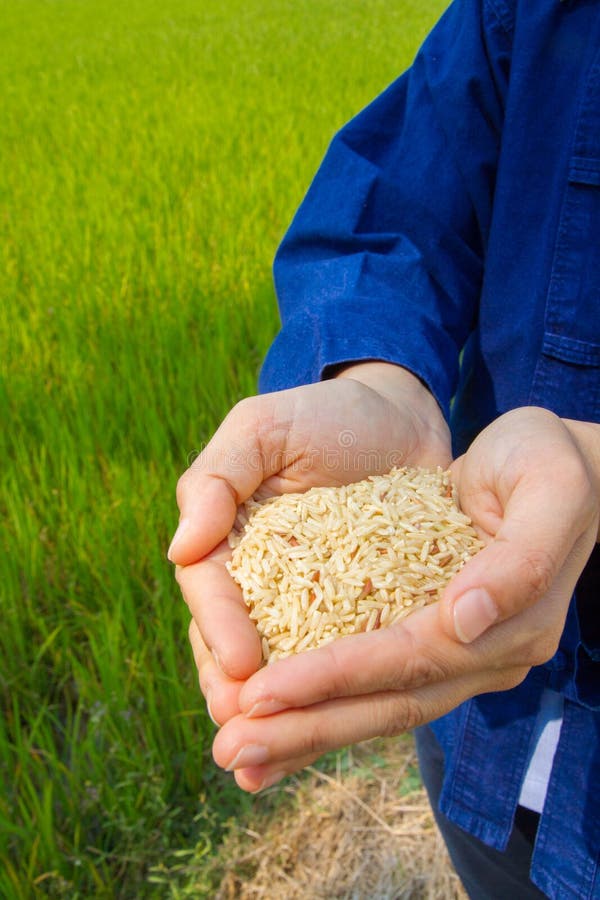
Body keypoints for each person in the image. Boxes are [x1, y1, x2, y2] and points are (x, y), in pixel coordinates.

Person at [169, 1, 600, 896]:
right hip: (484, 732)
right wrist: (375, 379)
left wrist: (591, 465)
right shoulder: (527, 11)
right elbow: (402, 200)